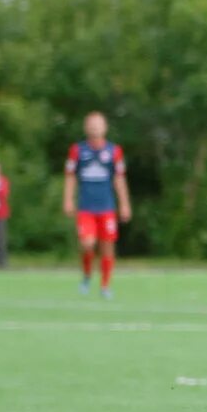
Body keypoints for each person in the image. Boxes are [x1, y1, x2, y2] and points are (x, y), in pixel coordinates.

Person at [63, 112, 131, 299]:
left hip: (106, 206)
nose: (95, 128)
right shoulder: (77, 151)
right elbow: (70, 177)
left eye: (98, 124)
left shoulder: (114, 151)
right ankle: (86, 275)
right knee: (87, 244)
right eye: (91, 124)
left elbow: (119, 178)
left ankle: (105, 285)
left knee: (107, 246)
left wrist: (124, 203)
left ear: (105, 127)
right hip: (86, 207)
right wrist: (68, 199)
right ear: (86, 128)